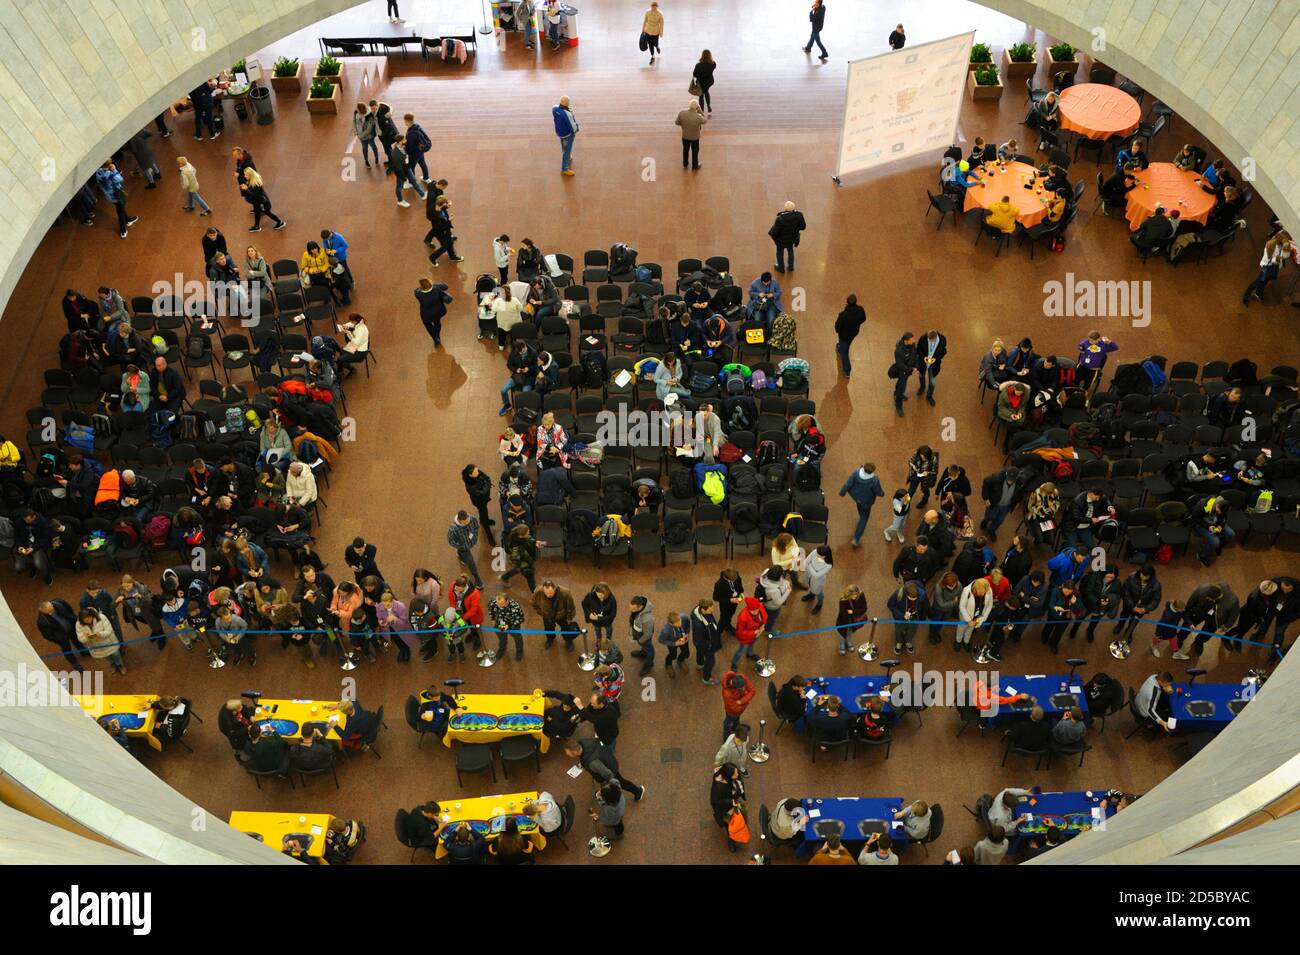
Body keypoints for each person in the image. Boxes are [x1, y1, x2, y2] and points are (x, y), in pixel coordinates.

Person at [563, 737, 646, 800]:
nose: (567, 755)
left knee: (622, 782)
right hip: (608, 760)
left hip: (610, 770)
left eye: (568, 753)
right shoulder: (584, 742)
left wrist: (609, 784)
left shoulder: (592, 763)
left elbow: (608, 774)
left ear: (575, 752)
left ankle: (638, 792)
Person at [1242, 230, 1295, 306]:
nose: (1287, 242)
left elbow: (1286, 256)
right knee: (1256, 283)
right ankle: (1245, 298)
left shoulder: (1282, 245)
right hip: (1266, 267)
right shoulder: (1270, 244)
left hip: (1274, 269)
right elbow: (1267, 259)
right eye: (1286, 240)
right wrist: (1277, 259)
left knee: (1264, 282)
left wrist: (1286, 247)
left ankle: (1258, 294)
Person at [95, 160, 138, 239]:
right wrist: (114, 170)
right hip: (117, 195)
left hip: (109, 196)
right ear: (109, 165)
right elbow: (120, 179)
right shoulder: (111, 174)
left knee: (120, 208)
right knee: (120, 211)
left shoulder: (98, 172)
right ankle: (123, 230)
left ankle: (128, 219)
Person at [76, 608, 124, 674]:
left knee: (116, 654)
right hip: (96, 646)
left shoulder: (102, 617)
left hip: (109, 642)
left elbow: (109, 631)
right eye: (85, 620)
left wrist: (99, 634)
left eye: (89, 618)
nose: (88, 621)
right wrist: (87, 637)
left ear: (92, 615)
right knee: (105, 656)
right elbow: (81, 639)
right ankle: (112, 663)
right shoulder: (78, 625)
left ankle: (120, 664)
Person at [832, 292, 867, 377]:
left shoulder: (843, 315)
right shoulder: (860, 310)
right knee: (846, 344)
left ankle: (847, 370)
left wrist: (838, 331)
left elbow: (837, 326)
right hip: (854, 333)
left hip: (844, 335)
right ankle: (841, 347)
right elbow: (863, 319)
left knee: (844, 353)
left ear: (847, 302)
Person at [769, 200, 807, 274]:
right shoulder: (799, 215)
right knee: (790, 251)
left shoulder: (780, 218)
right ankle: (791, 266)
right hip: (792, 238)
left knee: (780, 253)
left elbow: (774, 232)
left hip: (781, 240)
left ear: (785, 209)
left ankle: (781, 268)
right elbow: (803, 227)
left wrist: (774, 237)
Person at [914, 329, 948, 405]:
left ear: (936, 338)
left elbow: (944, 352)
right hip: (923, 363)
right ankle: (922, 387)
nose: (930, 342)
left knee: (932, 382)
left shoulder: (942, 340)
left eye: (931, 341)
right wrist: (924, 357)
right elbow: (918, 349)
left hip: (934, 365)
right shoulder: (923, 338)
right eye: (928, 340)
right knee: (921, 375)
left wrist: (935, 359)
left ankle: (929, 396)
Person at [721, 670, 755, 740]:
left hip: (739, 708)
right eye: (741, 688)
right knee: (728, 722)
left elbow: (752, 690)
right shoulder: (727, 693)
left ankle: (735, 727)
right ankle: (726, 735)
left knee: (737, 718)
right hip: (731, 712)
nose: (743, 689)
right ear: (735, 687)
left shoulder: (742, 677)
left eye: (744, 687)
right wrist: (746, 701)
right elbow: (735, 709)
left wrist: (741, 701)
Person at [675, 99, 707, 170]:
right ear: (697, 107)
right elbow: (705, 121)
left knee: (685, 149)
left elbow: (677, 122)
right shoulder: (698, 116)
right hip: (695, 137)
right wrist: (701, 111)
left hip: (685, 136)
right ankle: (695, 165)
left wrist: (683, 125)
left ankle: (685, 163)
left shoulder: (682, 113)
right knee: (695, 151)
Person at [892, 331, 918, 417]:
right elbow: (900, 365)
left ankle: (896, 392)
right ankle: (898, 405)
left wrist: (916, 366)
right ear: (906, 340)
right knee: (902, 388)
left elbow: (915, 355)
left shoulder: (912, 345)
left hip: (909, 370)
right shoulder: (898, 351)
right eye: (912, 340)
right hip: (903, 371)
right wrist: (911, 369)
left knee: (901, 383)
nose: (914, 341)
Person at [552, 96, 579, 175]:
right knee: (567, 150)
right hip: (567, 134)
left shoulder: (554, 109)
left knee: (563, 144)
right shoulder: (567, 114)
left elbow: (555, 107)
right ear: (567, 103)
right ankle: (565, 169)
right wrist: (577, 129)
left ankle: (567, 153)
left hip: (560, 132)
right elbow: (572, 125)